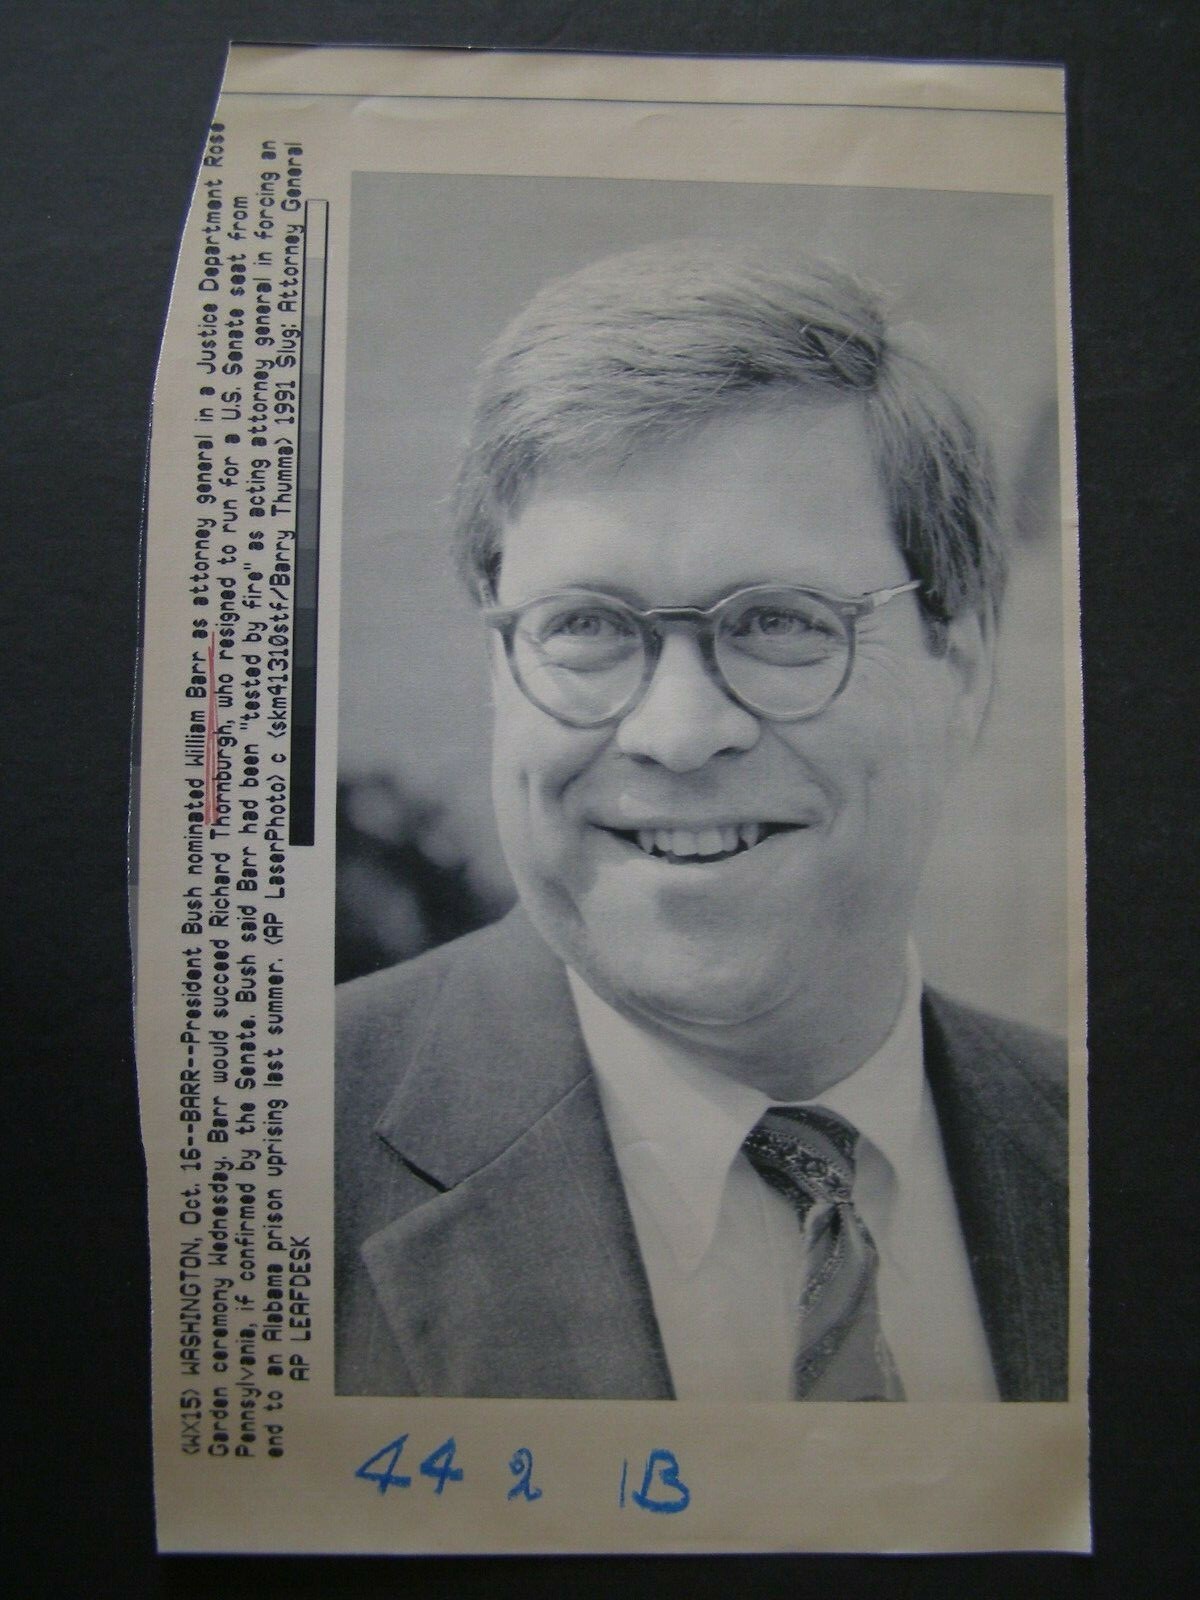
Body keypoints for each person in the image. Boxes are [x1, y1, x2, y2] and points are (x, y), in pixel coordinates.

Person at [335, 239, 1068, 1402]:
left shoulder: (1104, 1146)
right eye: (584, 624)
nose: (677, 732)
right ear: (495, 668)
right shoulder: (256, 1152)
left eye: (780, 621)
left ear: (962, 671)